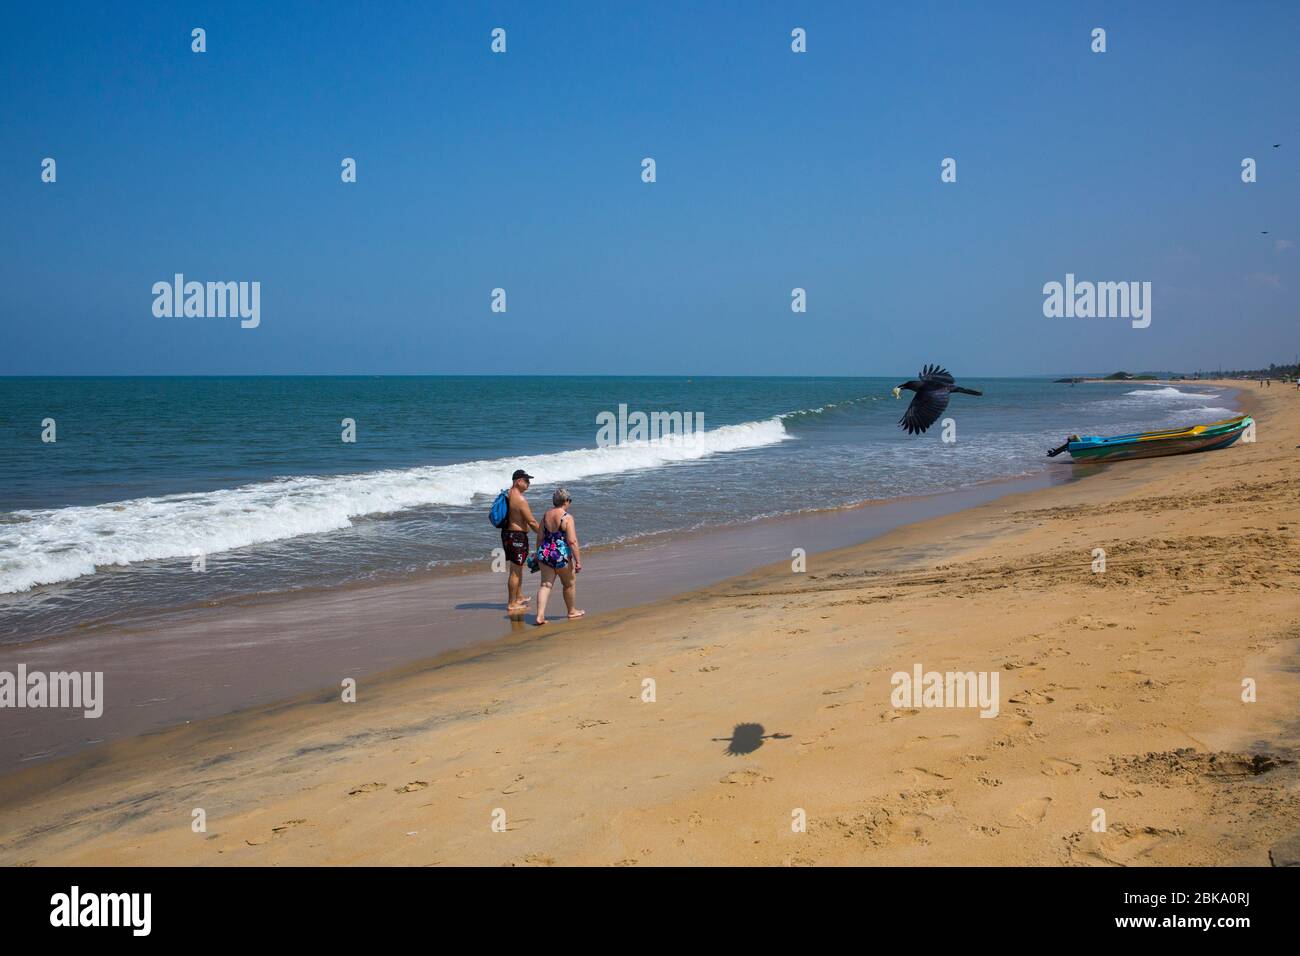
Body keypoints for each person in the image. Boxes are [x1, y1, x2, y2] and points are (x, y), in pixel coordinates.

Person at [533, 488, 585, 626]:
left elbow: (539, 537)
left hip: (545, 553)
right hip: (561, 556)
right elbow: (572, 541)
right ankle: (572, 611)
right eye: (570, 501)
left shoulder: (545, 516)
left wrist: (538, 555)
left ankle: (539, 616)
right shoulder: (567, 517)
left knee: (545, 585)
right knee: (569, 584)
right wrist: (578, 561)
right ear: (566, 501)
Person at [502, 469, 539, 612]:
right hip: (516, 537)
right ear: (518, 481)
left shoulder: (507, 494)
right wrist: (544, 533)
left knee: (517, 568)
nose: (529, 483)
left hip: (508, 535)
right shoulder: (520, 499)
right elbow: (532, 522)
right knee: (515, 571)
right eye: (527, 480)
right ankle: (512, 603)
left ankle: (519, 596)